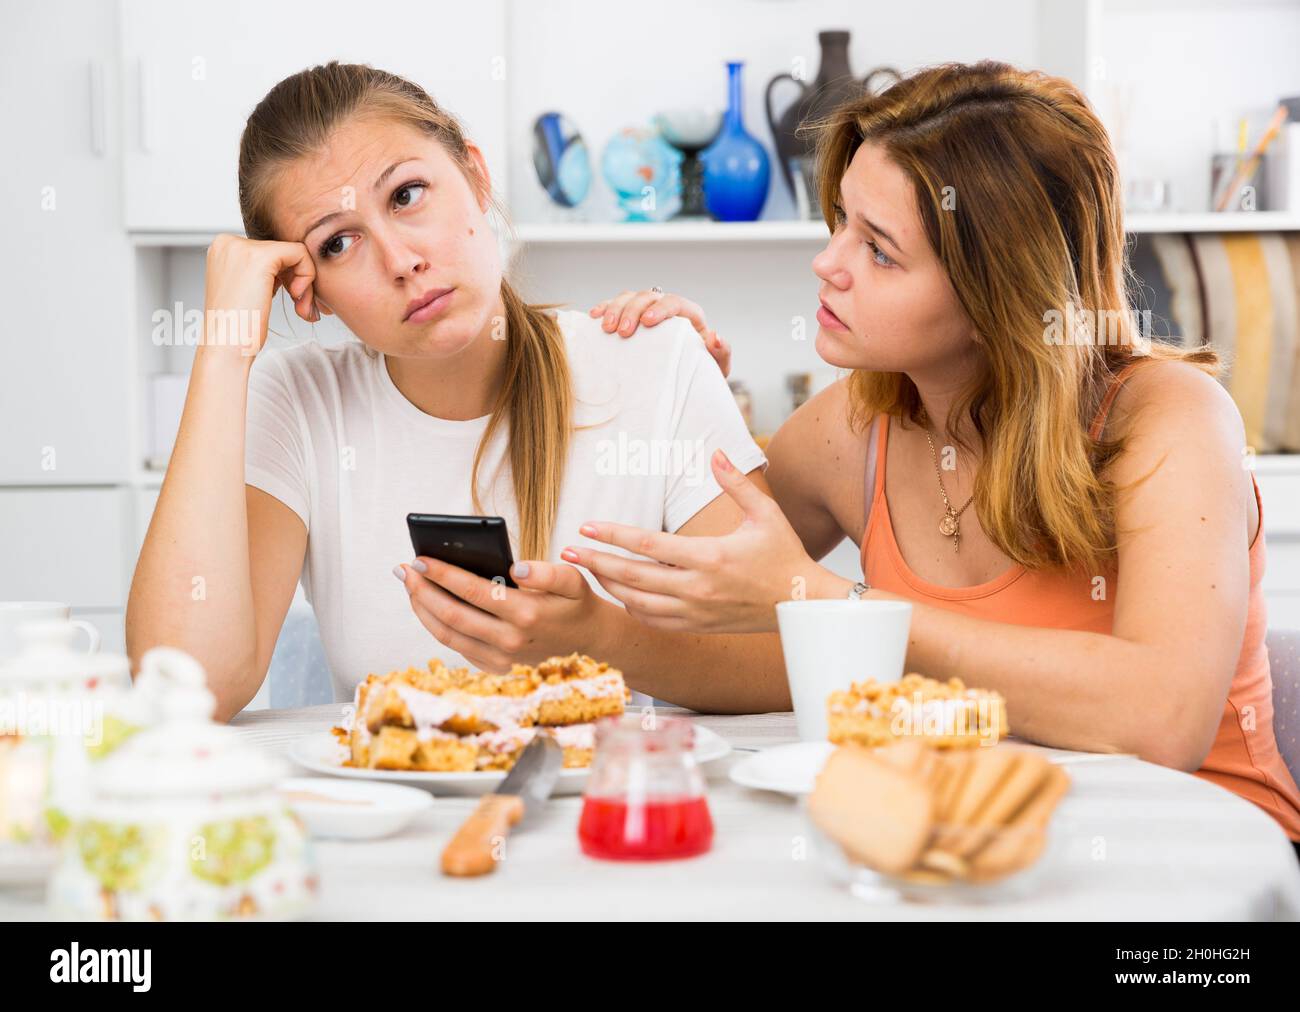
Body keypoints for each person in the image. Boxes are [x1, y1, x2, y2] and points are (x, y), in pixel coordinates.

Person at [568, 62, 1300, 847]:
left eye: (879, 251)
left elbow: (1162, 722)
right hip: (962, 844)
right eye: (842, 220)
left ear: (999, 299)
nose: (829, 263)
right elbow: (703, 599)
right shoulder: (854, 426)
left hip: (1199, 852)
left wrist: (837, 606)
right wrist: (679, 396)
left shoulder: (1172, 422)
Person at [125, 61, 783, 721]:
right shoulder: (298, 401)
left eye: (407, 194)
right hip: (394, 818)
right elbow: (188, 690)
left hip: (605, 811)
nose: (400, 261)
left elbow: (784, 661)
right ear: (308, 291)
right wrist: (221, 350)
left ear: (474, 176)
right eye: (339, 243)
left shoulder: (656, 361)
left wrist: (603, 640)